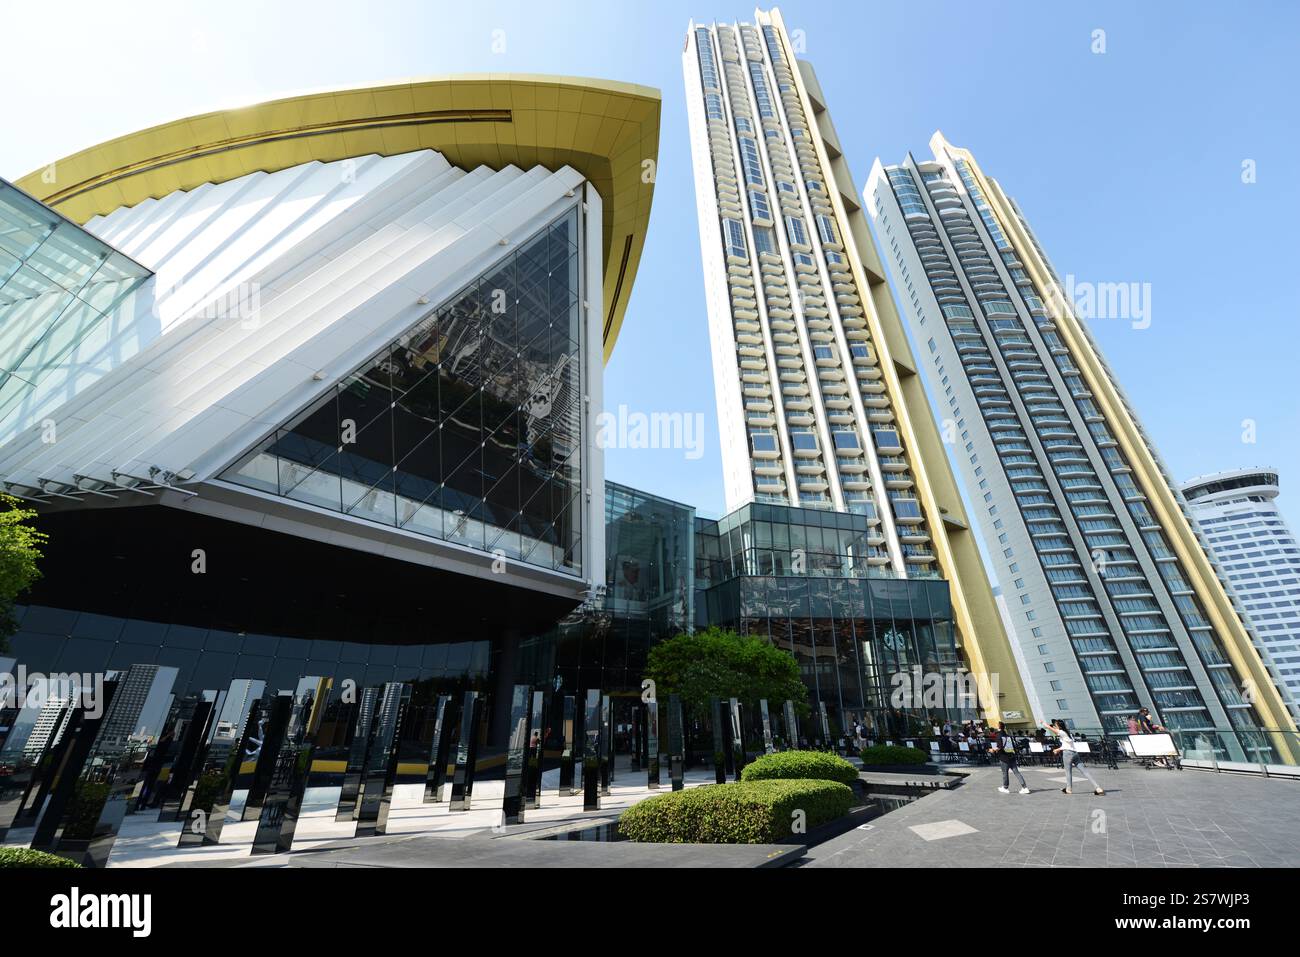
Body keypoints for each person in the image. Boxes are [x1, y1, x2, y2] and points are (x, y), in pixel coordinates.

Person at [1041, 719, 1104, 795]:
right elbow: (1067, 745)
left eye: (1056, 725)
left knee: (1068, 772)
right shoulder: (1068, 732)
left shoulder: (1061, 732)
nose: (1054, 726)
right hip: (1075, 753)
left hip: (1068, 754)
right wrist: (1058, 749)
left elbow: (1051, 729)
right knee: (1085, 771)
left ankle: (1069, 789)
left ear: (1059, 726)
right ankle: (1098, 788)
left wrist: (1044, 724)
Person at [990, 723, 1029, 794]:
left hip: (1004, 757)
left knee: (1005, 773)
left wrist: (992, 750)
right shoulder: (1008, 736)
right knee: (1016, 772)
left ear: (998, 727)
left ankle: (1005, 787)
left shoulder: (998, 736)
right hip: (1012, 755)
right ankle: (1025, 787)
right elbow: (1013, 746)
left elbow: (1000, 747)